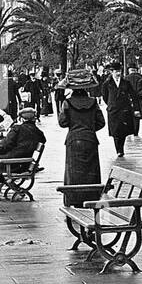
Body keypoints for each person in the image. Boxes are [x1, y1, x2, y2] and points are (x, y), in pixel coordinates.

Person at [57, 69, 106, 203]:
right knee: (91, 170)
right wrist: (90, 129)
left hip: (73, 139)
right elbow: (101, 122)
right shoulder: (93, 102)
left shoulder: (67, 103)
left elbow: (62, 123)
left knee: (73, 171)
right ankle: (91, 197)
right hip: (90, 139)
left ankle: (74, 198)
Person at [100, 62, 139, 158]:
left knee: (123, 131)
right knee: (115, 131)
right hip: (113, 110)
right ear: (112, 72)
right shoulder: (107, 83)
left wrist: (135, 108)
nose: (118, 73)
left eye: (120, 71)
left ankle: (121, 148)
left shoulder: (126, 83)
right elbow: (105, 96)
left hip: (124, 109)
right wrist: (111, 104)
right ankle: (119, 149)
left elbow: (133, 95)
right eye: (116, 71)